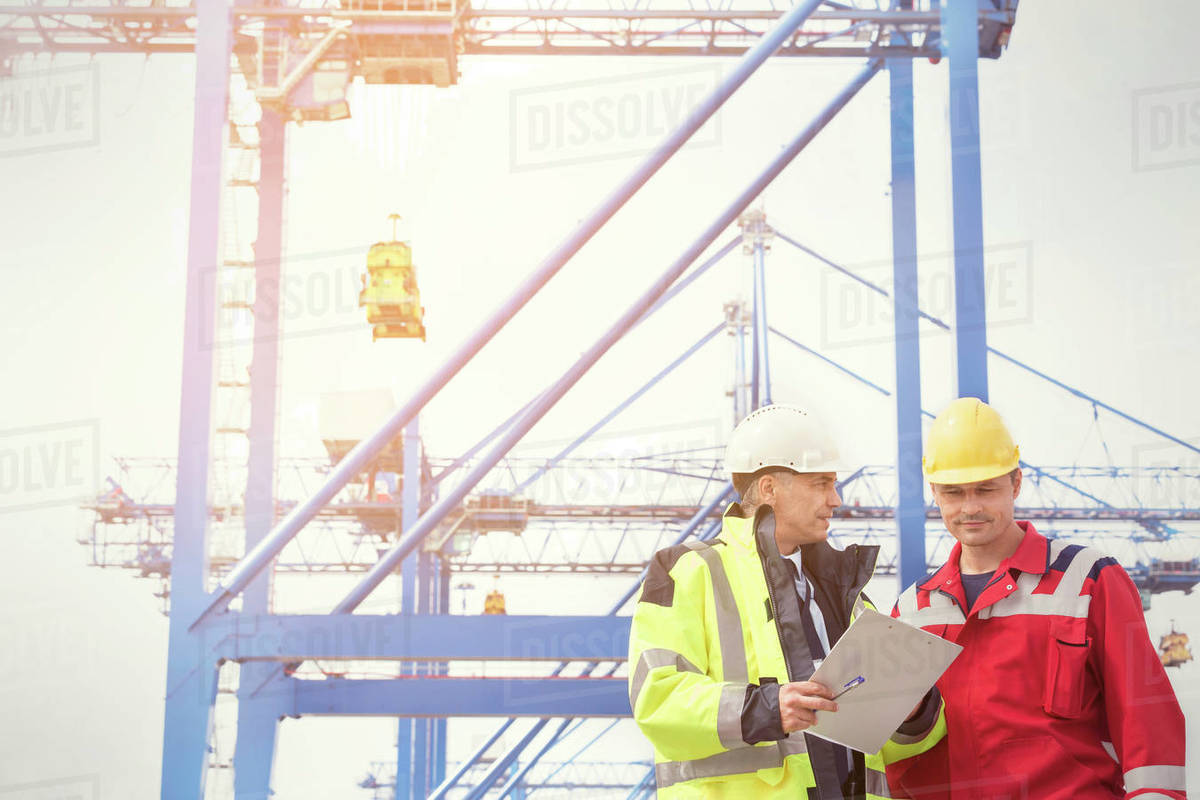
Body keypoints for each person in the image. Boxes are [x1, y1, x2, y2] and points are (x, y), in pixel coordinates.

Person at [628, 404, 945, 799]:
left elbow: (890, 745)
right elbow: (657, 701)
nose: (836, 498)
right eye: (821, 483)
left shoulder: (847, 594)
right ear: (769, 489)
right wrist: (765, 708)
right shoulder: (687, 572)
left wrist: (913, 712)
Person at [887, 397, 1188, 799]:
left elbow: (1145, 719)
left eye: (985, 489)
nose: (970, 507)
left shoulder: (1090, 580)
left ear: (1015, 483)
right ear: (935, 494)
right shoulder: (912, 610)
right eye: (954, 493)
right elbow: (895, 753)